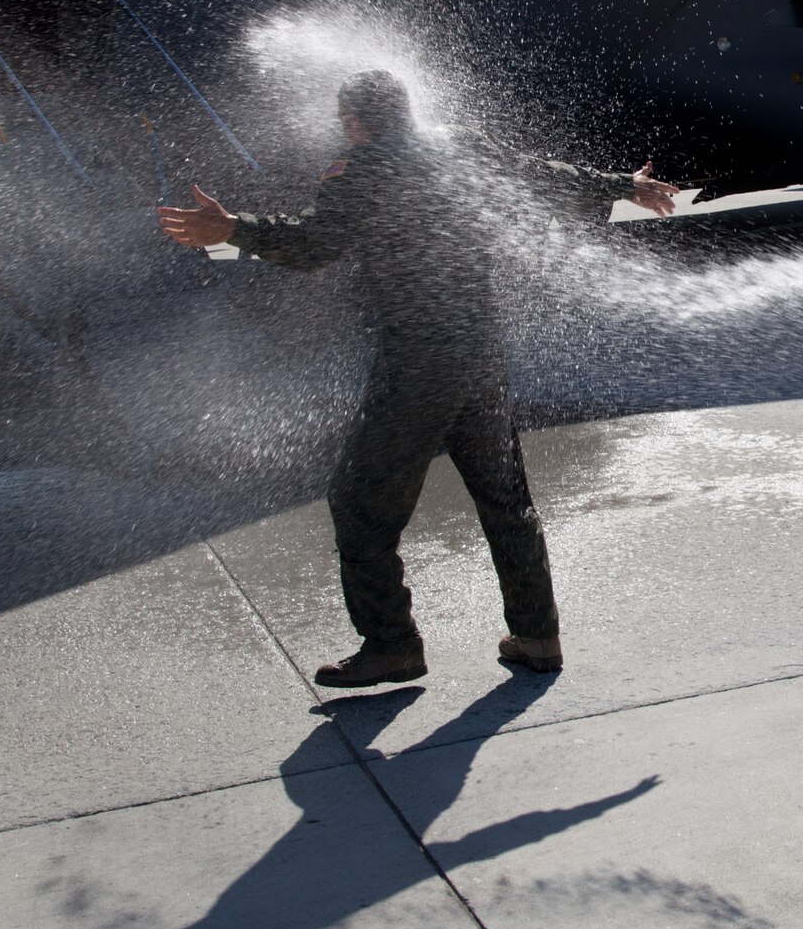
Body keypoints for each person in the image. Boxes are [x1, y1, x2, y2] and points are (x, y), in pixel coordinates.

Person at [156, 69, 679, 688]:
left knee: (358, 502)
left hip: (420, 362)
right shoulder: (461, 144)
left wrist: (233, 228)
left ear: (353, 120)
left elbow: (313, 246)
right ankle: (538, 635)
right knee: (505, 500)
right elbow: (546, 178)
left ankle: (392, 646)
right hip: (479, 351)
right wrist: (625, 185)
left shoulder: (360, 170)